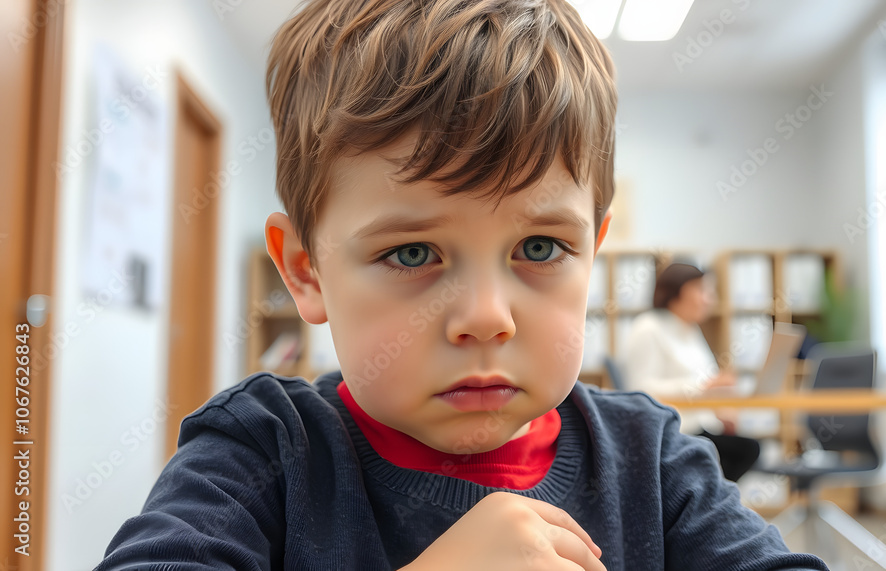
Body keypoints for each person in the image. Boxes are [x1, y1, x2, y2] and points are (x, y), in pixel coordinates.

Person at [95, 1, 827, 569]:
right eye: (413, 253)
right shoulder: (264, 452)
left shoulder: (651, 460)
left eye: (540, 246)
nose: (485, 317)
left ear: (593, 254)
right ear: (305, 271)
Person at [621, 263, 762, 482]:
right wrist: (702, 387)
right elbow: (641, 389)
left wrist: (721, 410)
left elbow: (705, 382)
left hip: (701, 426)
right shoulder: (648, 328)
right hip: (674, 431)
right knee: (742, 451)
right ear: (677, 290)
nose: (709, 299)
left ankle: (705, 505)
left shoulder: (691, 330)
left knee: (747, 449)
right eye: (701, 290)